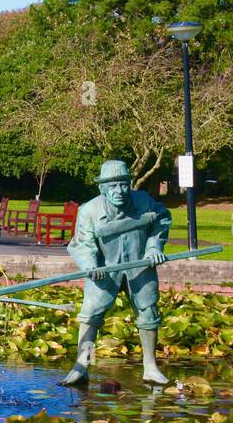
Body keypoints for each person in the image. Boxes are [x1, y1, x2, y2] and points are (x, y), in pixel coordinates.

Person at [61, 160, 173, 387]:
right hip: (104, 269)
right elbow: (82, 243)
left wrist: (154, 247)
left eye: (123, 185)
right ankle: (82, 366)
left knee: (148, 310)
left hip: (140, 265)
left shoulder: (144, 202)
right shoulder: (89, 211)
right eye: (111, 186)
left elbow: (162, 219)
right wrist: (91, 266)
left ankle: (150, 366)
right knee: (90, 313)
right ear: (101, 188)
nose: (118, 191)